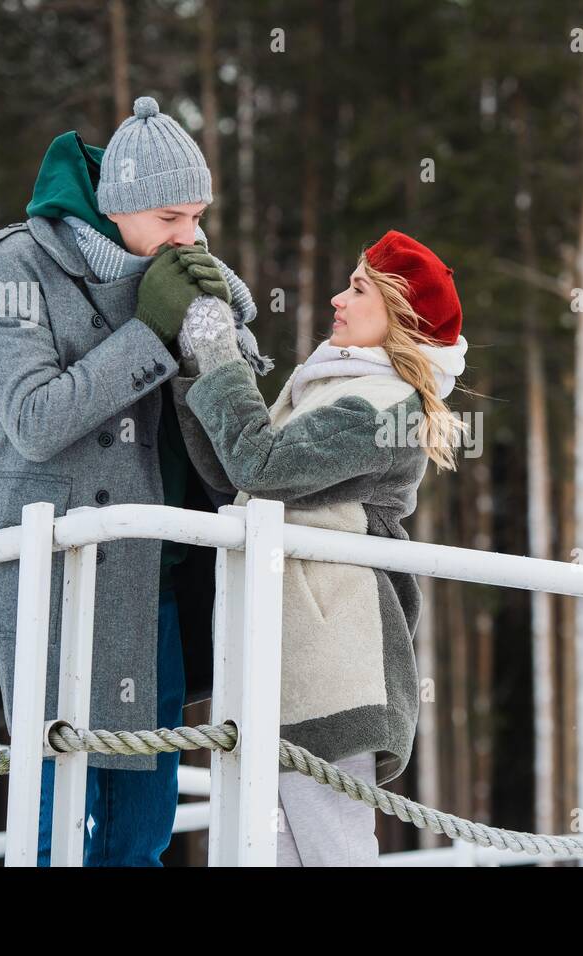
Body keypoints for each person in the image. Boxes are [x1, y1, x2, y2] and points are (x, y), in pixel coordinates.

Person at [0, 96, 271, 865]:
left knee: (140, 835)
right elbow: (34, 418)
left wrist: (217, 340)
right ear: (121, 207)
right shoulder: (12, 263)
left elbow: (234, 446)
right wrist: (149, 330)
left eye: (199, 216)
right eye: (173, 216)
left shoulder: (191, 283)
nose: (191, 236)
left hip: (154, 585)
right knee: (46, 827)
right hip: (51, 585)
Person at [169, 229, 470, 865]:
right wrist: (197, 362)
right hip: (284, 659)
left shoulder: (387, 404)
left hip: (335, 668)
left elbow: (260, 465)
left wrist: (222, 361)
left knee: (332, 854)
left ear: (399, 315)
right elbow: (233, 475)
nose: (338, 298)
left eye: (358, 288)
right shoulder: (329, 385)